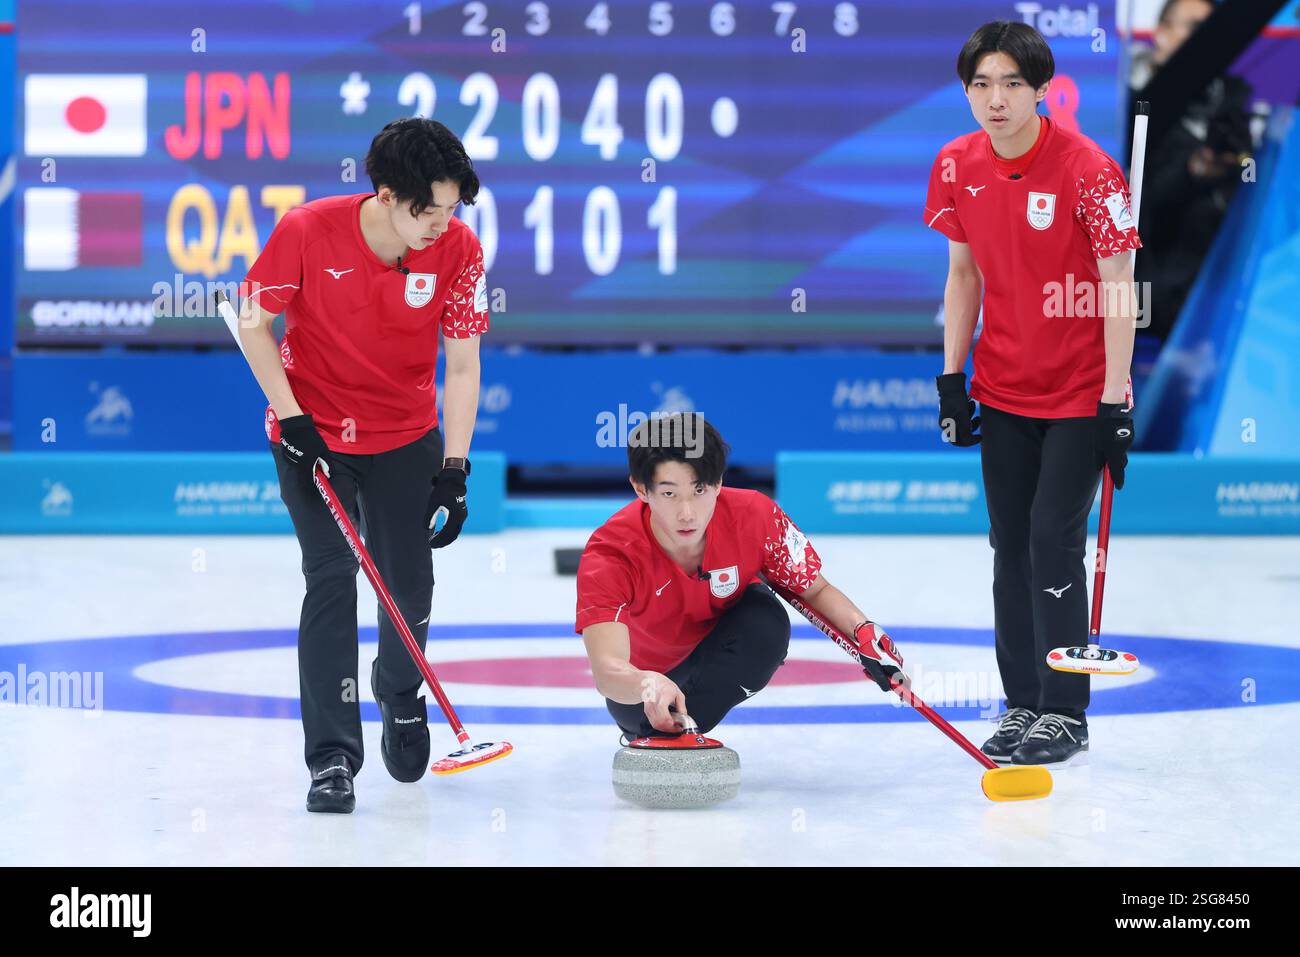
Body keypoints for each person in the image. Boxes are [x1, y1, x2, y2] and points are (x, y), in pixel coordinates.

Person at [236, 118, 490, 812]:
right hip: (310, 433)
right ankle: (332, 758)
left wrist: (456, 466)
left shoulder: (460, 250)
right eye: (425, 209)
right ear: (384, 194)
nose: (441, 224)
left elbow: (463, 362)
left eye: (450, 208)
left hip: (405, 436)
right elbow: (250, 317)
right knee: (332, 575)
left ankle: (399, 691)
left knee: (407, 588)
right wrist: (290, 415)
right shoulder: (308, 231)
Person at [923, 22, 1142, 765]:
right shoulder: (955, 165)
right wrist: (953, 379)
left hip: (1081, 392)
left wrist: (1117, 400)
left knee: (1054, 541)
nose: (996, 99)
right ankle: (1022, 703)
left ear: (1043, 90)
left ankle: (1066, 710)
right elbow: (964, 275)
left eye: (1013, 84)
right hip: (1005, 388)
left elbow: (1118, 287)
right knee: (1009, 547)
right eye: (981, 84)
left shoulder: (1091, 170)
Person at [576, 414, 908, 740]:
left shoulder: (756, 518)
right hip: (642, 694)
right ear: (640, 488)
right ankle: (659, 733)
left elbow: (815, 589)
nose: (687, 512)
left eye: (700, 489)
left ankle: (683, 734)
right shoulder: (611, 554)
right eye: (669, 494)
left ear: (719, 482)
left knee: (765, 623)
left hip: (720, 654)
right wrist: (647, 684)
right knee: (648, 695)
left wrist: (863, 631)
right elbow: (607, 670)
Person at [1129, 0, 1254, 340]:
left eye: (1211, 32)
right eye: (1195, 30)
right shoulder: (1131, 108)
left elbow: (1252, 177)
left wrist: (1243, 163)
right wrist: (1192, 171)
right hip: (1155, 294)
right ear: (1161, 34)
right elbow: (1137, 199)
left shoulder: (1231, 105)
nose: (1205, 42)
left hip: (1222, 284)